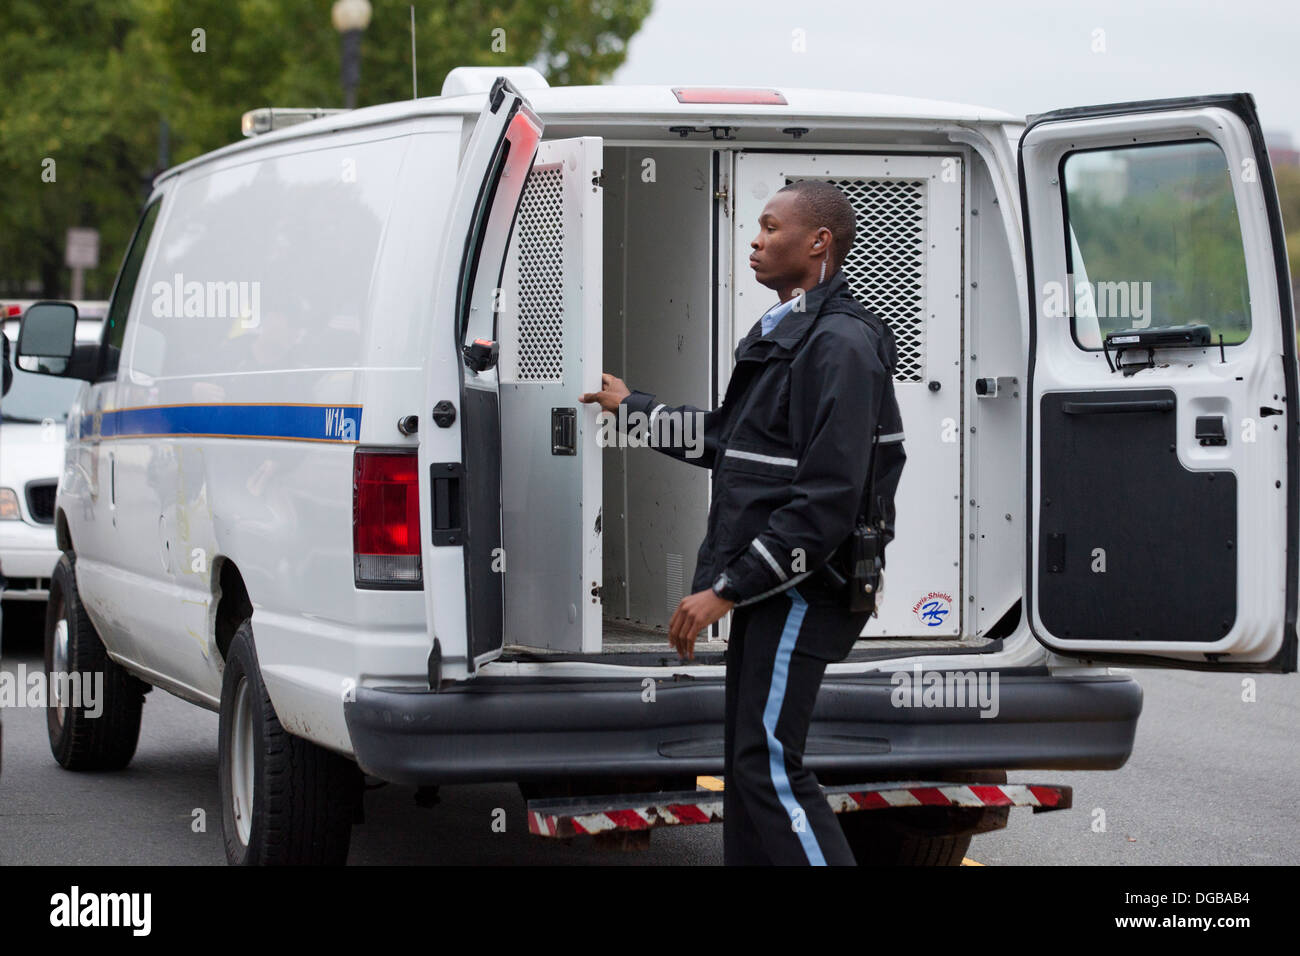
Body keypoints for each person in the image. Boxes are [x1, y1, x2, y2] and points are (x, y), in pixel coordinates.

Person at [580, 180, 906, 865]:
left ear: (819, 242)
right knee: (749, 768)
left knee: (770, 767)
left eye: (770, 227)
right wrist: (632, 406)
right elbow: (728, 444)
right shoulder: (788, 334)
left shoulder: (839, 344)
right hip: (772, 591)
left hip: (803, 589)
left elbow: (826, 502)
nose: (755, 240)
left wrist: (726, 589)